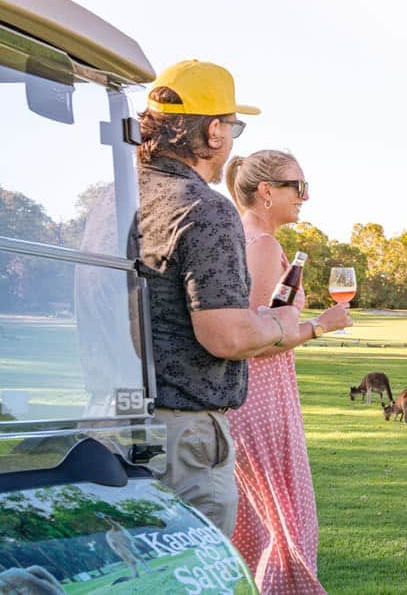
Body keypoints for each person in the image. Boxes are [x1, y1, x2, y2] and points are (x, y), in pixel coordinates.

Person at [132, 60, 350, 536]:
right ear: (213, 131)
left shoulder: (120, 196)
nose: (232, 137)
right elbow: (227, 336)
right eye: (233, 125)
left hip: (121, 420)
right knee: (198, 572)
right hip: (184, 431)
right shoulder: (204, 208)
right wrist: (291, 320)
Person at [224, 150, 341, 594]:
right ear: (266, 192)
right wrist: (319, 325)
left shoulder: (247, 238)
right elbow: (256, 339)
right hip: (262, 397)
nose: (305, 197)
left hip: (253, 397)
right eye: (299, 186)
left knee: (260, 520)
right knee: (288, 522)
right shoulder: (262, 245)